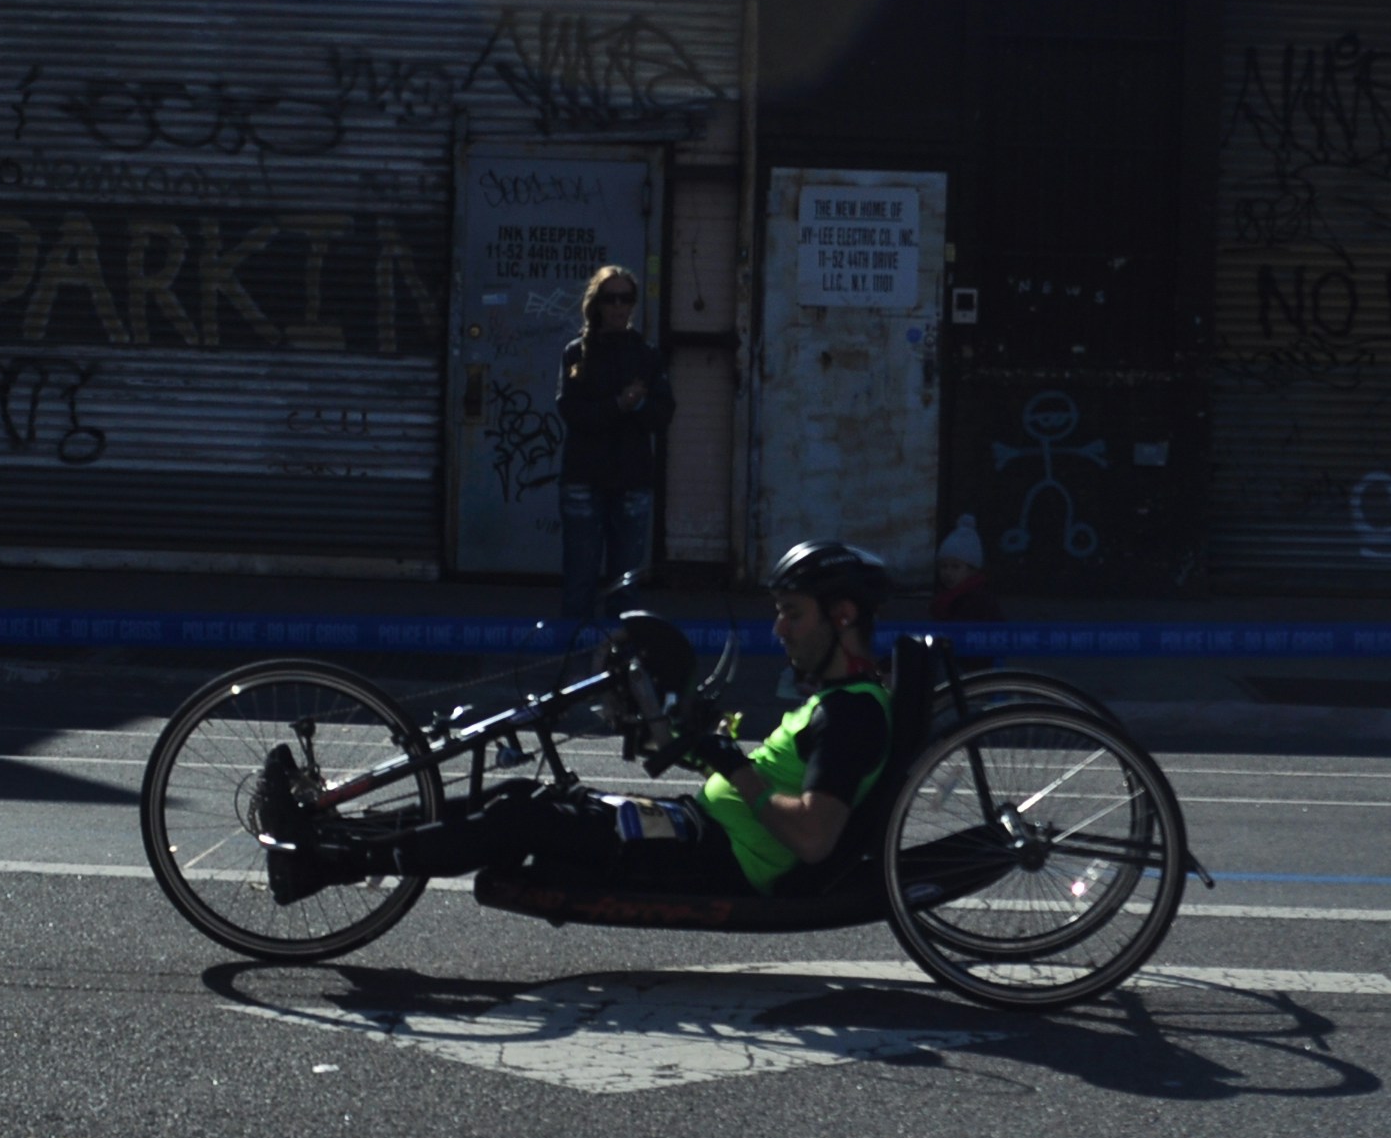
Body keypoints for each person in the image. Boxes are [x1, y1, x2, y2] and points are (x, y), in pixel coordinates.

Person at [261, 540, 898, 905]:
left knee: (524, 821)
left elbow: (813, 837)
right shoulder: (842, 700)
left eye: (792, 614)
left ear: (841, 615)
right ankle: (330, 831)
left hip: (714, 859)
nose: (778, 630)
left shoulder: (852, 715)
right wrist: (706, 749)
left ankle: (324, 862)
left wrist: (730, 762)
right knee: (520, 796)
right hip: (697, 828)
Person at [557, 264, 673, 622]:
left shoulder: (646, 354)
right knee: (580, 573)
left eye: (626, 299)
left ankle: (619, 661)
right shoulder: (577, 353)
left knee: (626, 582)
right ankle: (574, 659)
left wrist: (637, 404)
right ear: (598, 304)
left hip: (631, 478)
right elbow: (571, 411)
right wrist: (617, 405)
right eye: (611, 299)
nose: (619, 307)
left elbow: (663, 413)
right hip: (585, 476)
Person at [930, 514, 1002, 622]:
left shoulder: (980, 602)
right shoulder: (943, 599)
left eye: (955, 567)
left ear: (972, 570)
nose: (947, 572)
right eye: (943, 566)